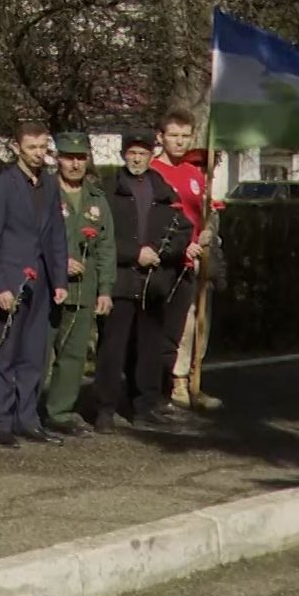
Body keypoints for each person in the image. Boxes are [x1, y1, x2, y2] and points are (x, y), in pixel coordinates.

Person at [0, 121, 70, 447]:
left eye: (43, 148)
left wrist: (59, 279)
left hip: (42, 283)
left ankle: (27, 418)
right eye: (31, 148)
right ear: (17, 148)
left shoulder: (49, 184)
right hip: (12, 281)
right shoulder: (3, 184)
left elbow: (57, 234)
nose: (38, 154)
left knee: (34, 354)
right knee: (5, 352)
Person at [94, 131, 193, 432]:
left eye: (143, 153)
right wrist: (134, 253)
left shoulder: (163, 189)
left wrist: (164, 253)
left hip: (154, 282)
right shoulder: (108, 189)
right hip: (121, 280)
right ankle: (105, 408)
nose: (137, 158)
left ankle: (145, 404)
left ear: (152, 155)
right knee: (113, 347)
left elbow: (182, 228)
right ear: (124, 154)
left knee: (150, 347)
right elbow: (100, 234)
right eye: (132, 152)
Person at [41, 133, 115, 437]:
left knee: (73, 355)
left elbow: (106, 247)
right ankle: (23, 412)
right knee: (38, 353)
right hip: (47, 288)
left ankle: (59, 412)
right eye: (69, 157)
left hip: (84, 288)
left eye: (80, 158)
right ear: (57, 158)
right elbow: (30, 237)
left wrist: (106, 290)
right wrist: (58, 264)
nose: (74, 164)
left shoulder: (96, 198)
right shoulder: (44, 193)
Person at [149, 117, 220, 412]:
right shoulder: (153, 171)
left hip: (197, 259)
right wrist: (179, 245)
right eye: (174, 135)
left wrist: (206, 230)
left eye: (185, 136)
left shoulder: (194, 173)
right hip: (168, 259)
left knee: (200, 320)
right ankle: (175, 381)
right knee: (179, 324)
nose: (179, 141)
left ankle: (194, 379)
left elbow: (204, 212)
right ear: (161, 136)